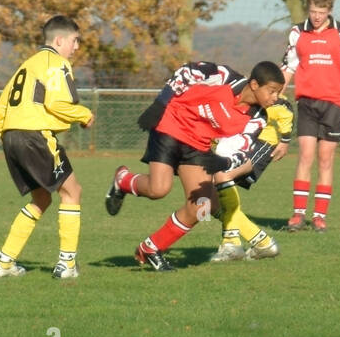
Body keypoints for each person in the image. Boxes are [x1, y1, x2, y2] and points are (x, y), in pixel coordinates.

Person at [104, 61, 285, 271]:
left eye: (278, 93)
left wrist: (225, 162)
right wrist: (160, 104)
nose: (276, 98)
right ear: (254, 84)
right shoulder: (225, 76)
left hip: (198, 144)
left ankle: (151, 248)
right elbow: (187, 71)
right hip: (171, 125)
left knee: (202, 207)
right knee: (158, 189)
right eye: (272, 91)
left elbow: (244, 150)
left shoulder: (258, 118)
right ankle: (123, 180)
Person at [0, 15, 94, 280]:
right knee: (72, 192)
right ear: (59, 40)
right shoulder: (57, 63)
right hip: (35, 136)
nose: (76, 47)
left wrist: (6, 135)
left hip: (12, 136)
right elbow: (56, 103)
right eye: (74, 40)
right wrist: (84, 115)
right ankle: (67, 264)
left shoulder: (27, 65)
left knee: (42, 198)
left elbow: (1, 106)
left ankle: (4, 262)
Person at [282, 0, 340, 232]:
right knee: (306, 155)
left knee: (326, 159)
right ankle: (298, 214)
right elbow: (288, 66)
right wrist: (275, 92)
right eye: (313, 11)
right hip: (307, 102)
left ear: (329, 10)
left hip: (334, 103)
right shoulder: (298, 33)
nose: (316, 16)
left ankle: (319, 216)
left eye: (321, 11)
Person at [210, 95, 293, 262]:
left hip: (260, 144)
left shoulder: (259, 94)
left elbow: (285, 109)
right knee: (212, 199)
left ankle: (237, 244)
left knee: (219, 185)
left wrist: (285, 139)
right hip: (239, 148)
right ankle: (259, 243)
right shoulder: (218, 96)